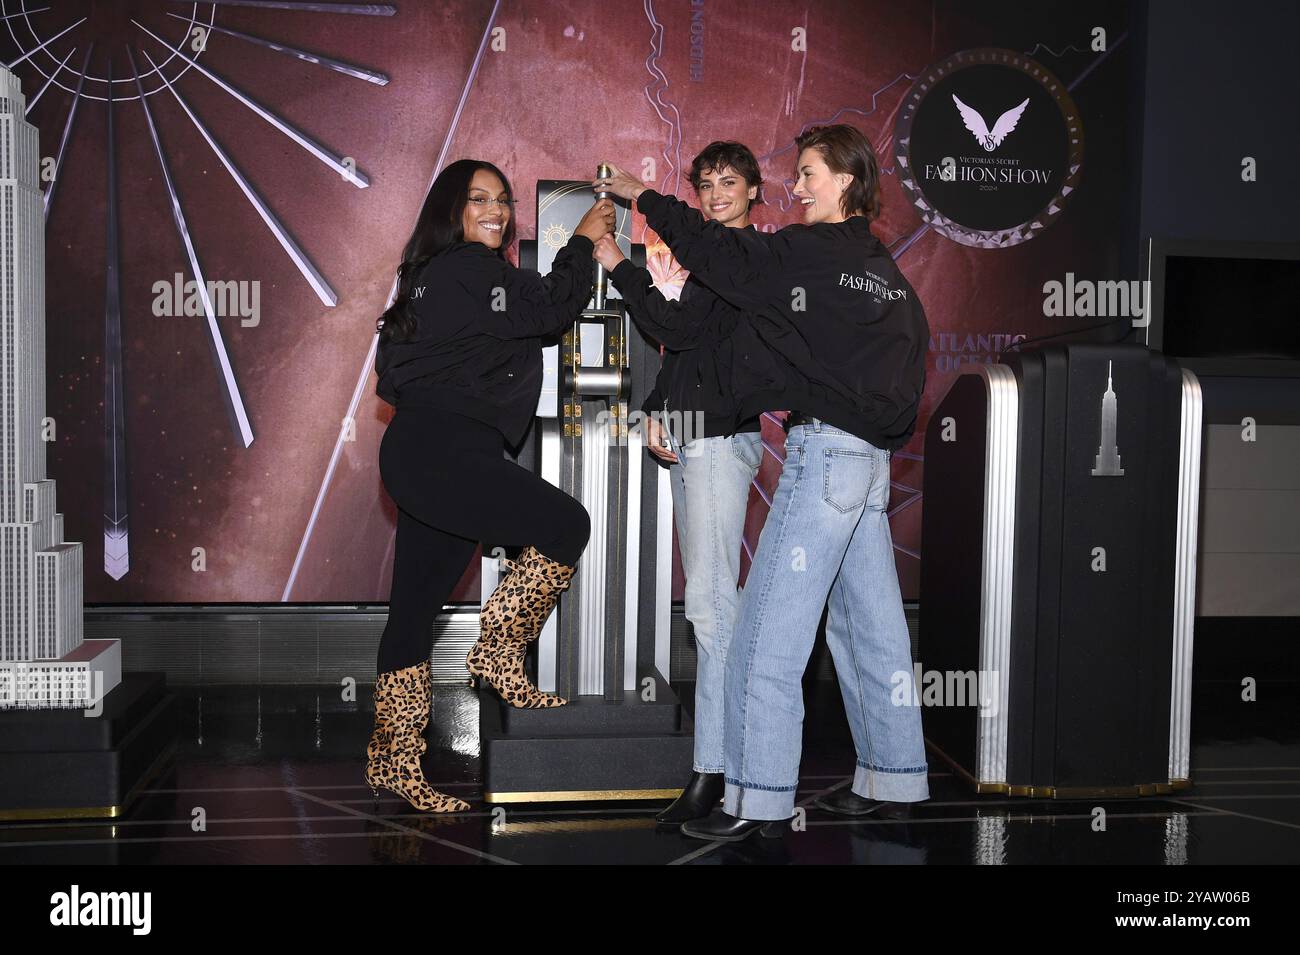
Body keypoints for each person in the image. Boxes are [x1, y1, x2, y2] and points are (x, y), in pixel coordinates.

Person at [595, 123, 932, 842]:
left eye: (809, 173)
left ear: (845, 180)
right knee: (872, 629)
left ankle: (759, 801)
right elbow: (906, 383)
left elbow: (722, 260)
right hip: (869, 465)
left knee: (761, 638)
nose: (799, 186)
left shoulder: (806, 252)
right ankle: (896, 779)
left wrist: (645, 197)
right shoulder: (887, 274)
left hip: (824, 459)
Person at [369, 159, 614, 812]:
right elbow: (553, 307)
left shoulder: (424, 277)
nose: (497, 211)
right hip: (446, 448)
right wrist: (585, 240)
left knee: (412, 611)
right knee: (567, 524)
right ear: (451, 208)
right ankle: (498, 655)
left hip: (421, 450)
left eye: (503, 201)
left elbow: (393, 375)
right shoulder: (476, 270)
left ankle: (394, 761)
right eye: (479, 199)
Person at [591, 142, 777, 826]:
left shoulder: (745, 258)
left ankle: (718, 772)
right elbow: (690, 346)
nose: (717, 193)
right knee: (709, 606)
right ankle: (721, 768)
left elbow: (673, 324)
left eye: (730, 182)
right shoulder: (720, 263)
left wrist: (617, 257)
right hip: (704, 438)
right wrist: (656, 411)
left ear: (756, 189)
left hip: (722, 442)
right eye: (706, 184)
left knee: (711, 610)